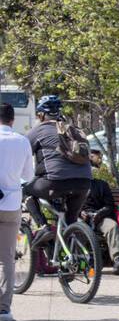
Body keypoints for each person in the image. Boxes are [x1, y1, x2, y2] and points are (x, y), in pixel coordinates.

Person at [23, 95, 92, 230]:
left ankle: (43, 227)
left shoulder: (39, 130)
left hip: (54, 182)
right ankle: (74, 243)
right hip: (84, 182)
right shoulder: (73, 129)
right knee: (70, 220)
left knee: (24, 191)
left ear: (42, 115)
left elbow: (22, 152)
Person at [0, 101, 35, 321]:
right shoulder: (22, 141)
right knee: (7, 258)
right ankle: (4, 308)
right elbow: (28, 176)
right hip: (11, 204)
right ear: (13, 120)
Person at [82, 148, 119, 274]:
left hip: (100, 217)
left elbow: (109, 206)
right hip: (81, 219)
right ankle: (85, 262)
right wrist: (80, 213)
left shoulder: (102, 185)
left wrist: (99, 214)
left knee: (112, 226)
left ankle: (117, 260)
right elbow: (69, 205)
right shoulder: (76, 185)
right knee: (76, 229)